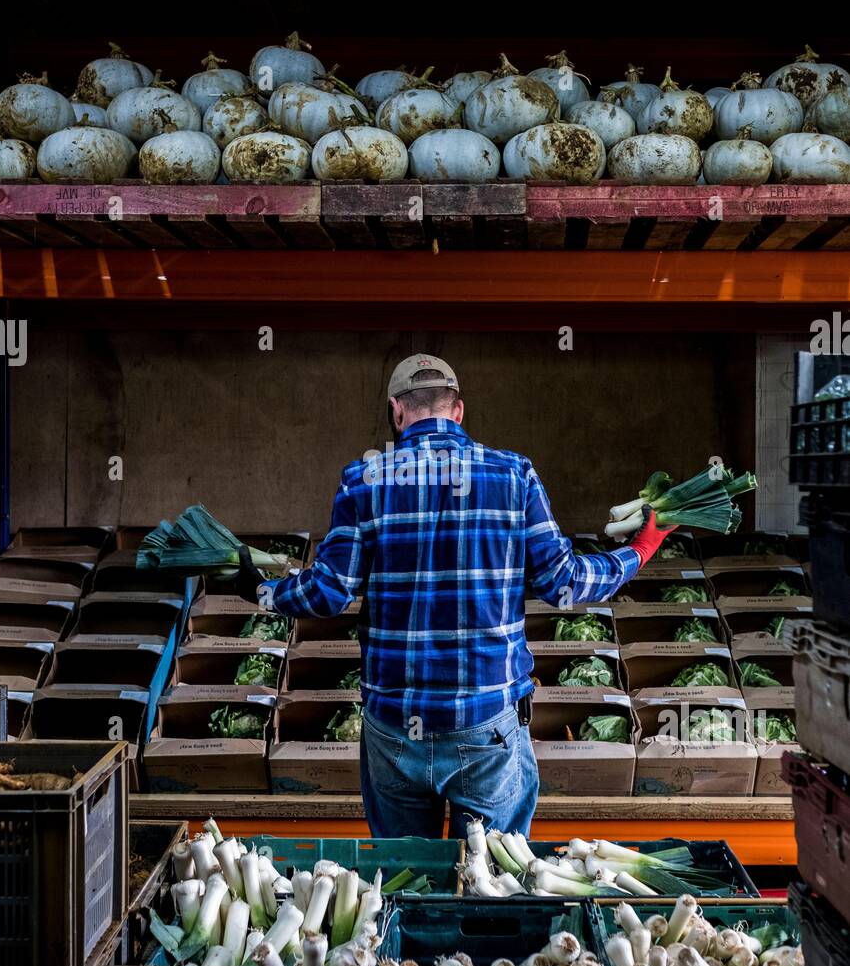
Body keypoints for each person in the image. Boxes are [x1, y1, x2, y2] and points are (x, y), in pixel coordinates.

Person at [235, 353, 675, 839]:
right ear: (458, 410)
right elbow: (562, 581)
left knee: (406, 876)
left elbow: (330, 592)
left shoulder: (365, 479)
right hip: (486, 725)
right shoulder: (513, 474)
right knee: (495, 882)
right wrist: (640, 549)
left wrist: (264, 592)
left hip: (395, 728)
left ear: (396, 411)